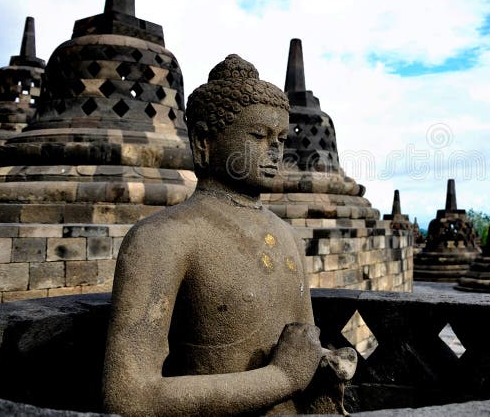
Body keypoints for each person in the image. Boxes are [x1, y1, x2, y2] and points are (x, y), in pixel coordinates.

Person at [103, 54, 346, 415]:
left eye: (280, 138)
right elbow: (128, 395)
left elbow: (301, 347)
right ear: (204, 141)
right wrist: (280, 378)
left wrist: (324, 363)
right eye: (259, 136)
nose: (275, 150)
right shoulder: (163, 238)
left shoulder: (286, 235)